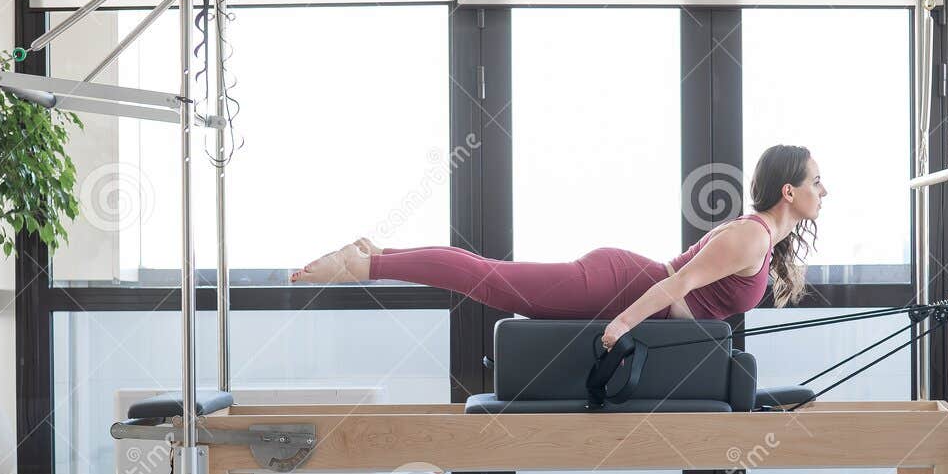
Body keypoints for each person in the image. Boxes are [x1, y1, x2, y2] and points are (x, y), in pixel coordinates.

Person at [292, 144, 824, 351]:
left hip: (624, 284)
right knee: (490, 279)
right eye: (816, 182)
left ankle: (374, 251)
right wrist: (618, 326)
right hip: (617, 285)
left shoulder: (765, 242)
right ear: (789, 190)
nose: (823, 191)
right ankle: (365, 262)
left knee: (491, 278)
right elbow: (675, 284)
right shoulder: (752, 235)